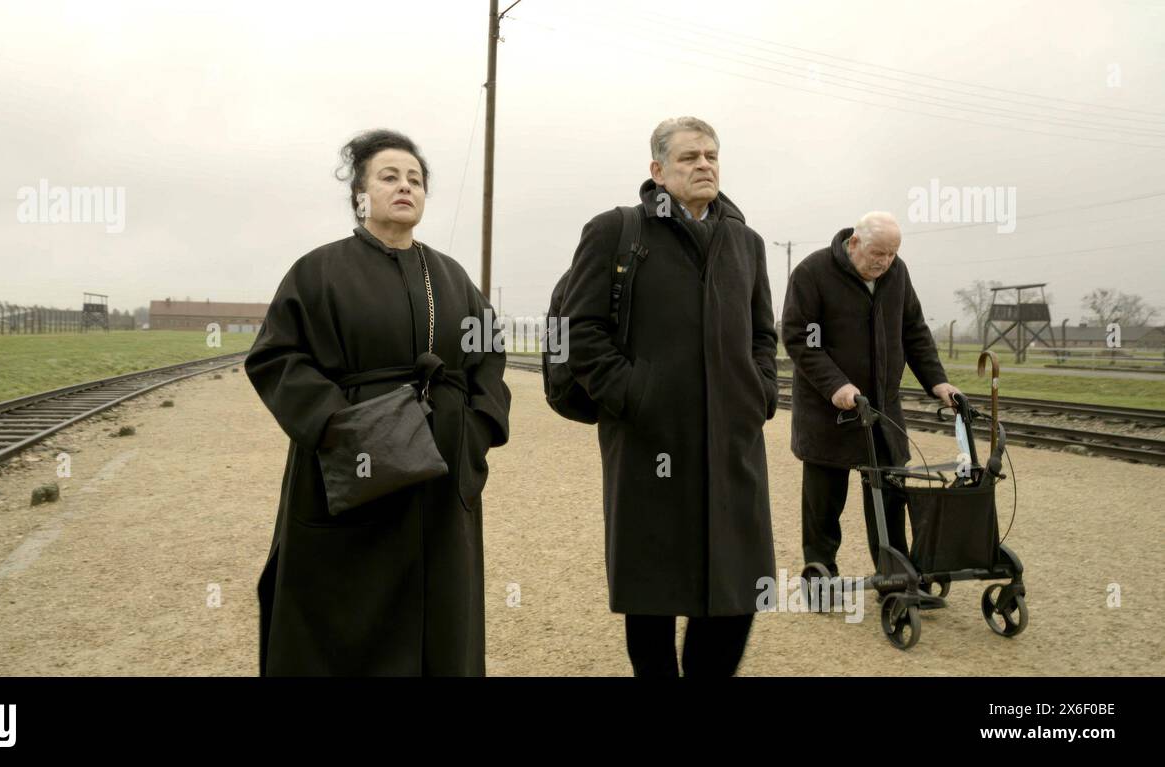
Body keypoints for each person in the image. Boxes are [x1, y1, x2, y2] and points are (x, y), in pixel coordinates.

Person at [245, 129, 511, 676]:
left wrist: (478, 427)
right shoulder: (318, 271)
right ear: (361, 195)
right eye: (389, 177)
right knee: (347, 619)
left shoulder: (451, 275)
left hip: (441, 481)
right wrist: (342, 428)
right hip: (353, 469)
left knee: (440, 620)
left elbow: (488, 353)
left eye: (415, 179)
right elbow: (275, 358)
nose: (405, 187)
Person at [560, 117, 779, 677]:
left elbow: (762, 334)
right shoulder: (617, 231)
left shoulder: (746, 242)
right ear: (657, 171)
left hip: (733, 441)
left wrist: (759, 394)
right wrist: (636, 395)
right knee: (651, 592)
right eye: (688, 158)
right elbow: (579, 331)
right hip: (650, 442)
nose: (704, 165)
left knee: (737, 590)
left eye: (710, 155)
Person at [781, 211, 961, 579]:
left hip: (882, 411)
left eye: (892, 253)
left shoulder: (897, 274)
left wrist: (937, 382)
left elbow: (914, 331)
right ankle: (820, 577)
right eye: (879, 253)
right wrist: (837, 385)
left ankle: (895, 575)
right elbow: (801, 339)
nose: (885, 262)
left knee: (889, 496)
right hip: (827, 413)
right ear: (854, 243)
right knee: (824, 505)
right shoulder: (812, 273)